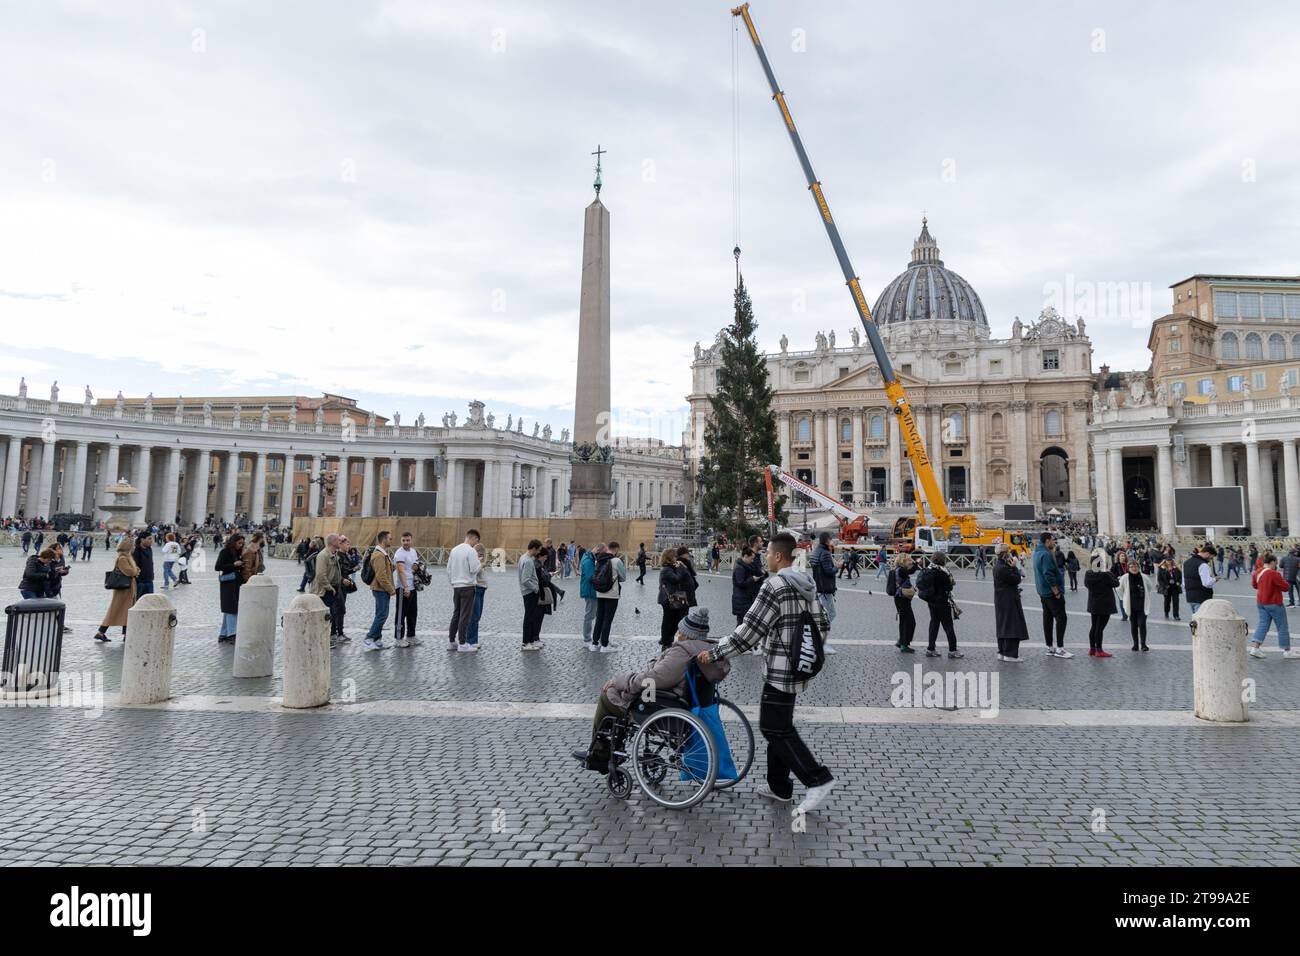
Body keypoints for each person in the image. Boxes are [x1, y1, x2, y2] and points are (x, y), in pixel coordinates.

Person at [698, 532, 835, 815]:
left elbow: (749, 633)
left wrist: (714, 653)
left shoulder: (774, 585)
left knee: (774, 728)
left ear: (778, 556)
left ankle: (817, 779)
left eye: (768, 553)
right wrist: (804, 650)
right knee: (779, 726)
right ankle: (779, 787)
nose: (765, 558)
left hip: (780, 669)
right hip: (799, 665)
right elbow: (823, 622)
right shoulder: (805, 582)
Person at [574, 606, 730, 772]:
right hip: (689, 704)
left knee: (608, 695)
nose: (677, 635)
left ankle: (600, 754)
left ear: (686, 634)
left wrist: (620, 681)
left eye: (679, 632)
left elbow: (653, 679)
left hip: (663, 705)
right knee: (622, 691)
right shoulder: (707, 650)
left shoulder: (682, 653)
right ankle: (606, 749)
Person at [1250, 552, 1296, 659]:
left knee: (1263, 625)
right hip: (1274, 603)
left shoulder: (1257, 572)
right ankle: (1287, 651)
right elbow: (1285, 587)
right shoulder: (1273, 574)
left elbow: (1254, 586)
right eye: (1275, 563)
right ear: (1272, 562)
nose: (1276, 565)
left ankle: (1255, 648)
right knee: (1282, 626)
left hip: (1261, 602)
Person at [94, 538, 139, 642]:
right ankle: (101, 632)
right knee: (116, 609)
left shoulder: (128, 557)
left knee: (126, 611)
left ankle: (125, 634)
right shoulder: (123, 558)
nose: (133, 548)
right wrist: (135, 571)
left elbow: (133, 571)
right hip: (123, 589)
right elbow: (130, 572)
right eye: (132, 546)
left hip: (128, 589)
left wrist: (135, 570)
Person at [1034, 532, 1070, 658]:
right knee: (1061, 618)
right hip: (1051, 593)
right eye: (1053, 540)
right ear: (1048, 540)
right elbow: (1048, 574)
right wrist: (1056, 592)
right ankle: (1060, 648)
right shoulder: (1045, 554)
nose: (1054, 543)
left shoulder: (1037, 553)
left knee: (1047, 619)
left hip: (1042, 592)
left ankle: (1050, 647)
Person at [919, 552, 962, 659]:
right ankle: (953, 650)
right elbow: (949, 588)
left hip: (931, 601)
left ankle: (931, 648)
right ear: (943, 560)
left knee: (934, 624)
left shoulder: (928, 569)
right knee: (948, 626)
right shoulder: (942, 572)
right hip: (942, 602)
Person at [992, 544, 1028, 662]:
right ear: (1004, 554)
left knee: (1003, 624)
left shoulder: (998, 566)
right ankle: (1010, 654)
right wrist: (1014, 568)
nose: (1009, 553)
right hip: (1008, 600)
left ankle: (1001, 652)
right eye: (1008, 551)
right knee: (1012, 625)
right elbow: (1017, 579)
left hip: (1001, 599)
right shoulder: (1004, 568)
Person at [448, 529, 483, 651]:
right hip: (468, 587)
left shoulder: (454, 550)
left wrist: (453, 583)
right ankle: (462, 643)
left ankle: (452, 641)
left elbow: (449, 569)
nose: (475, 544)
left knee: (456, 614)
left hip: (456, 586)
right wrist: (480, 563)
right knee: (465, 615)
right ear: (473, 538)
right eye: (476, 541)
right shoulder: (471, 551)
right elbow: (474, 569)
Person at [309, 534, 343, 649]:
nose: (340, 542)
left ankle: (328, 638)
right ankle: (321, 640)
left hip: (333, 589)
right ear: (333, 542)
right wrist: (330, 588)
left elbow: (335, 572)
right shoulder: (323, 555)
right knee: (325, 616)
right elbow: (320, 575)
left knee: (332, 614)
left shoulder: (334, 554)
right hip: (324, 591)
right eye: (339, 540)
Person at [363, 531, 396, 651]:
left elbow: (386, 571)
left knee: (380, 614)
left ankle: (377, 639)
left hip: (381, 589)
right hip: (380, 589)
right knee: (382, 615)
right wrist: (391, 590)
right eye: (390, 539)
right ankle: (369, 638)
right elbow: (381, 576)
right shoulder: (379, 555)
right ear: (383, 540)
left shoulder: (384, 554)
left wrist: (392, 566)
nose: (391, 540)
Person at [590, 542, 626, 652]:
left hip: (600, 593)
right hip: (612, 593)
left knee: (599, 618)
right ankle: (605, 645)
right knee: (607, 620)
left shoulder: (599, 560)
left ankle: (594, 643)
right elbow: (623, 577)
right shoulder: (617, 561)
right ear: (616, 549)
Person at [1083, 549, 1118, 658]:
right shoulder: (1105, 574)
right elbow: (1116, 583)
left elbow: (1086, 585)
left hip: (1093, 603)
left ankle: (1092, 649)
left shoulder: (1088, 573)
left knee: (1094, 626)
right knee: (1100, 628)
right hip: (1105, 604)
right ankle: (1099, 650)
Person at [214, 532, 246, 644]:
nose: (241, 545)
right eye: (239, 543)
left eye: (242, 543)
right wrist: (234, 565)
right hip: (227, 583)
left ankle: (223, 634)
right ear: (233, 542)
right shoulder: (225, 552)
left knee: (230, 608)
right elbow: (218, 567)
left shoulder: (237, 552)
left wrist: (240, 565)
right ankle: (232, 634)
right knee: (231, 608)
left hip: (235, 582)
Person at [391, 531, 422, 647]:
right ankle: (398, 638)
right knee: (401, 614)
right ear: (401, 540)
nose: (406, 542)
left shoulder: (413, 551)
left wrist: (416, 567)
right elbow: (401, 571)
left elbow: (414, 566)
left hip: (413, 586)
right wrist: (406, 587)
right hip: (403, 588)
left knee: (413, 613)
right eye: (403, 540)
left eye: (408, 540)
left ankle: (411, 636)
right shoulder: (399, 554)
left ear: (411, 540)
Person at [657, 547, 692, 649]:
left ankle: (667, 639)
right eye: (674, 556)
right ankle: (666, 641)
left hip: (675, 597)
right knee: (668, 621)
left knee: (676, 620)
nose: (676, 558)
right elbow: (676, 579)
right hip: (668, 599)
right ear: (669, 558)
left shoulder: (671, 567)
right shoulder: (666, 570)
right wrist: (680, 568)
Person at [810, 532, 838, 654]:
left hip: (819, 587)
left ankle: (818, 640)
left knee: (824, 615)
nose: (832, 541)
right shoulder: (825, 553)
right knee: (829, 615)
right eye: (831, 539)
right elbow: (828, 571)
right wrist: (838, 566)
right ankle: (821, 643)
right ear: (827, 541)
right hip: (825, 588)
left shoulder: (816, 551)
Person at [1118, 558, 1153, 652]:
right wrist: (1123, 598)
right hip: (1131, 605)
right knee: (1133, 625)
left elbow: (1150, 587)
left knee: (1142, 624)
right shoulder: (1125, 577)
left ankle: (1144, 644)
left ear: (1138, 567)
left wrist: (1145, 595)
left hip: (1142, 605)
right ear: (1128, 568)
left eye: (1136, 566)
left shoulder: (1144, 577)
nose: (1134, 568)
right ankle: (1135, 644)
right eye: (1131, 566)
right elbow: (1119, 589)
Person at [518, 538, 542, 651]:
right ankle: (526, 642)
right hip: (530, 592)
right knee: (529, 618)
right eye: (538, 550)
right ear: (533, 548)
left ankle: (530, 641)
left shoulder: (523, 557)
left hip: (527, 592)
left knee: (530, 617)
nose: (538, 553)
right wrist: (535, 588)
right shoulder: (528, 561)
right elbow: (525, 579)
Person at [579, 543, 605, 646]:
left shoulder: (589, 558)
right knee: (589, 615)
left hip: (592, 590)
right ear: (598, 550)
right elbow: (591, 577)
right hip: (590, 591)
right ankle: (587, 639)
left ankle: (595, 637)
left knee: (594, 615)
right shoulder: (588, 561)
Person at [731, 546, 764, 625]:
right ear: (745, 556)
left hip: (745, 599)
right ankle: (736, 637)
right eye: (751, 559)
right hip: (741, 600)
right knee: (741, 623)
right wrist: (752, 579)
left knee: (744, 623)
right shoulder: (740, 568)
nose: (752, 561)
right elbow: (740, 583)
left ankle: (739, 637)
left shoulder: (745, 566)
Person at [1183, 543, 1218, 619]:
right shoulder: (1203, 565)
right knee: (1201, 621)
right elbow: (1206, 583)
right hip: (1202, 597)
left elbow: (1183, 580)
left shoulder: (1186, 563)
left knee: (1195, 620)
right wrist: (1215, 579)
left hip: (1190, 596)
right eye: (1211, 558)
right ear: (1207, 554)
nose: (1210, 560)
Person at [891, 552, 917, 653]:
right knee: (910, 622)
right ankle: (904, 645)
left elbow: (910, 571)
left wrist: (915, 564)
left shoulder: (898, 569)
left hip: (899, 598)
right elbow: (911, 571)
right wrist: (915, 564)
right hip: (902, 598)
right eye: (909, 559)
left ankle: (901, 641)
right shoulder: (902, 570)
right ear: (904, 560)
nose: (910, 561)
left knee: (904, 621)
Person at [464, 542, 489, 648]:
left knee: (477, 616)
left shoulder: (480, 562)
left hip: (482, 589)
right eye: (480, 554)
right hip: (476, 589)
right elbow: (473, 572)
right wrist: (480, 563)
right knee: (474, 616)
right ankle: (470, 640)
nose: (482, 557)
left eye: (483, 554)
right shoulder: (475, 562)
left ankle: (473, 639)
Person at [133, 532, 155, 598]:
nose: (151, 541)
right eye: (149, 539)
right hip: (140, 582)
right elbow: (135, 565)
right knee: (138, 603)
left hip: (149, 580)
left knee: (149, 601)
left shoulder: (149, 549)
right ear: (142, 540)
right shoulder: (136, 550)